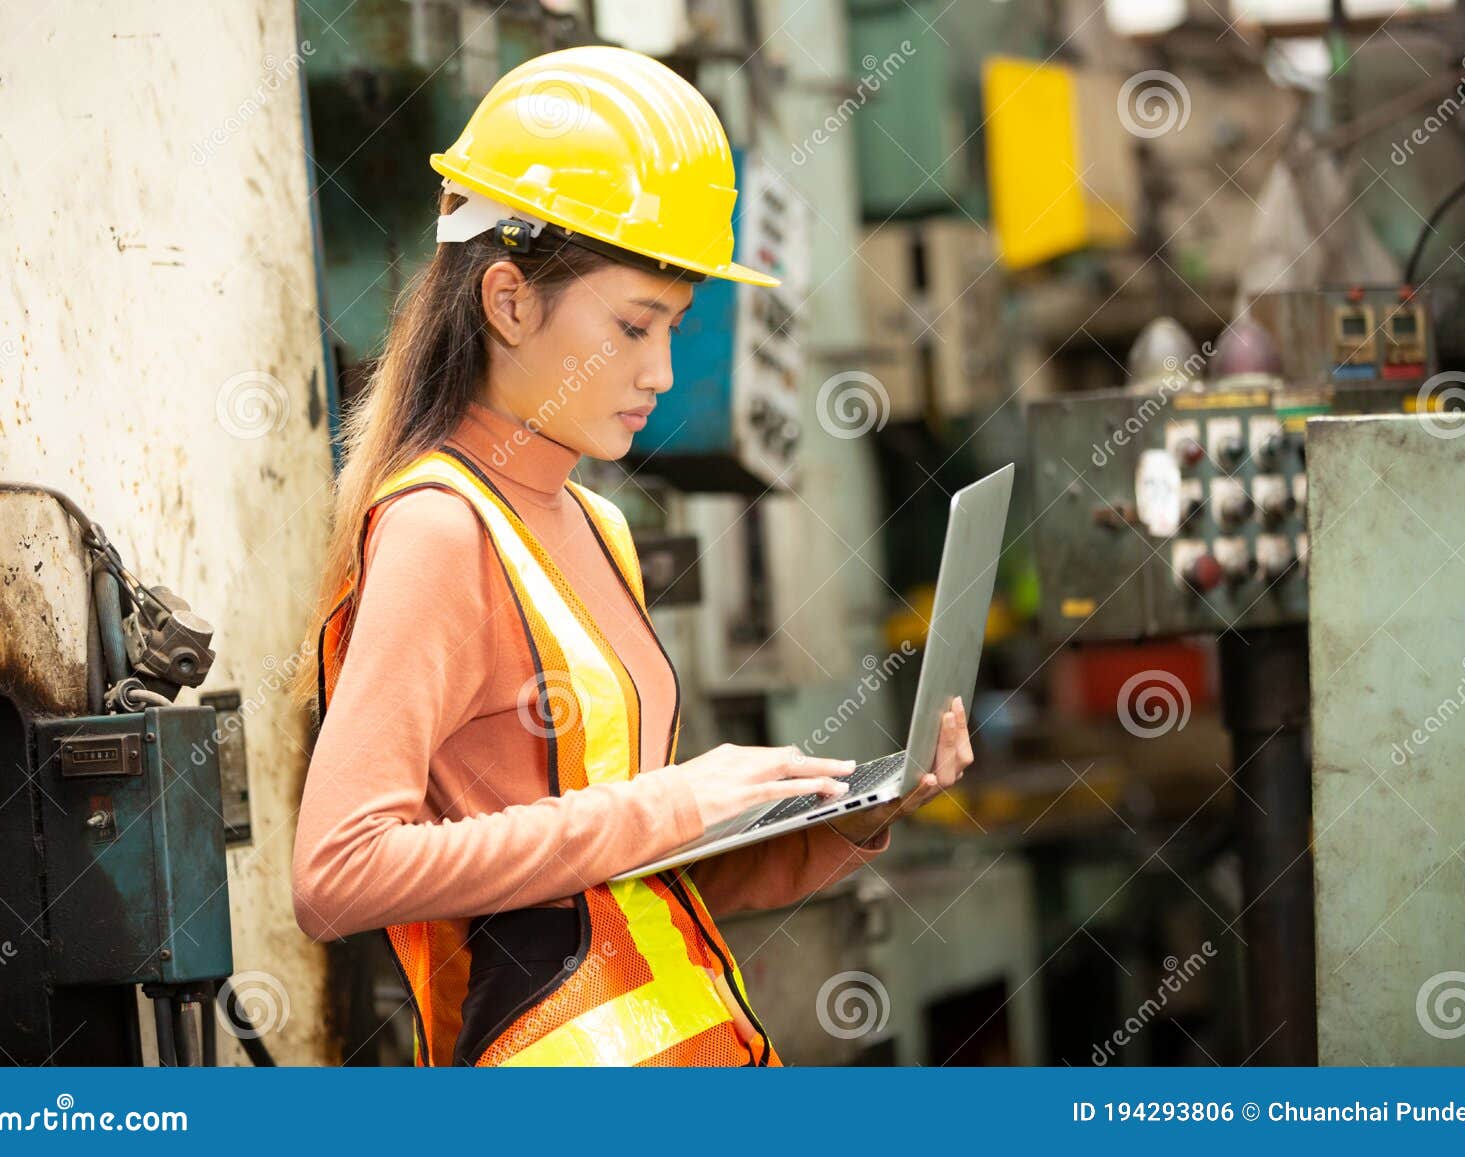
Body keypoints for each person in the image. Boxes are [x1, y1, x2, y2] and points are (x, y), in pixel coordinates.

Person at [289, 44, 974, 1068]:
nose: (659, 369)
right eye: (632, 325)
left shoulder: (596, 525)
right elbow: (337, 871)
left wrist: (853, 816)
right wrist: (663, 800)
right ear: (510, 300)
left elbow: (628, 879)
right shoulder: (441, 527)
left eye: (675, 327)